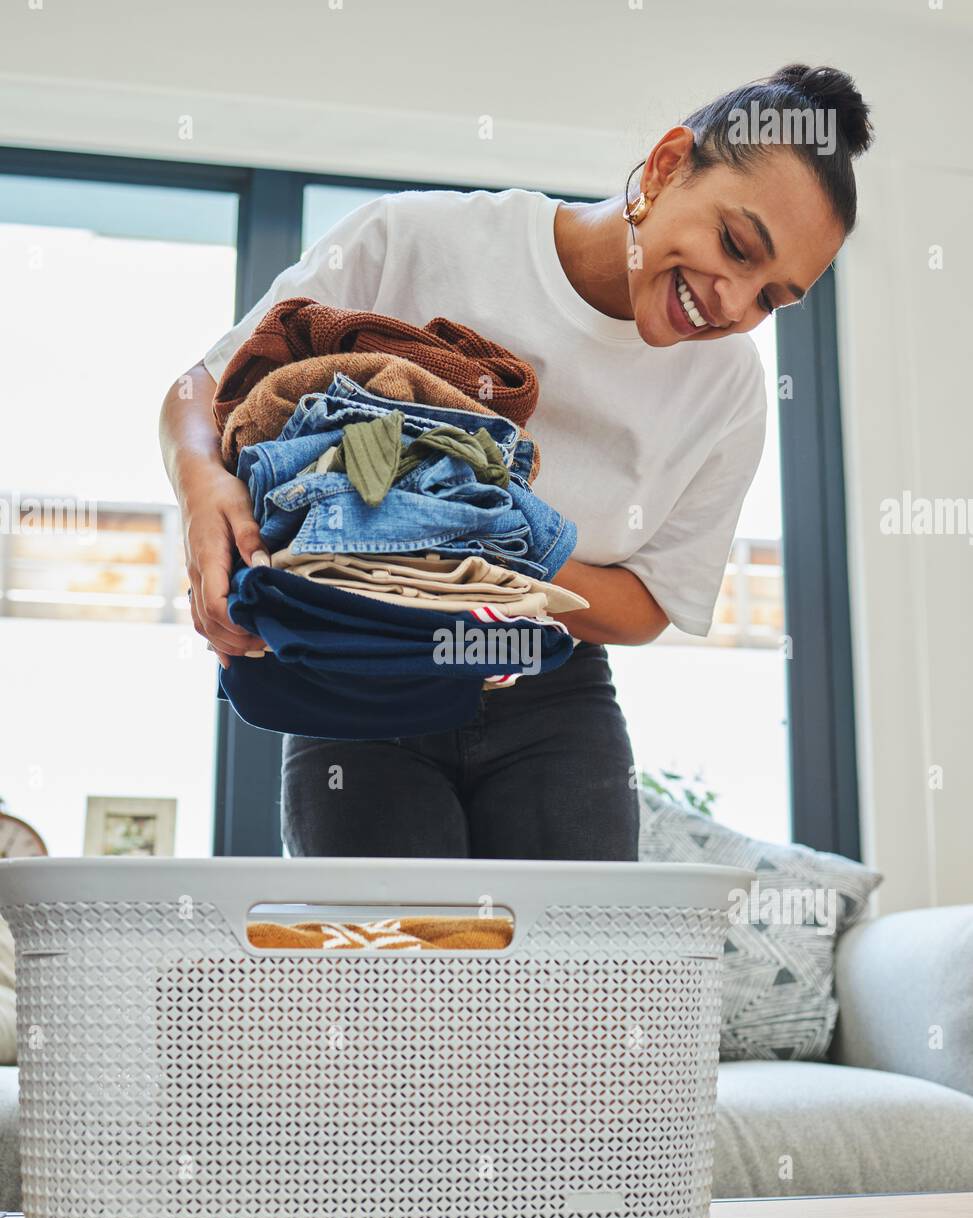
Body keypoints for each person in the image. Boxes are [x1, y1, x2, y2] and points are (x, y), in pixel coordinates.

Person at [159, 62, 873, 862]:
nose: (734, 305)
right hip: (361, 665)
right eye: (735, 246)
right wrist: (201, 486)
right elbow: (205, 385)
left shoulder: (729, 388)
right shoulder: (415, 238)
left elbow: (647, 606)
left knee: (569, 974)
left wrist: (497, 542)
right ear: (668, 164)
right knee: (386, 975)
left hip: (553, 696)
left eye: (772, 298)